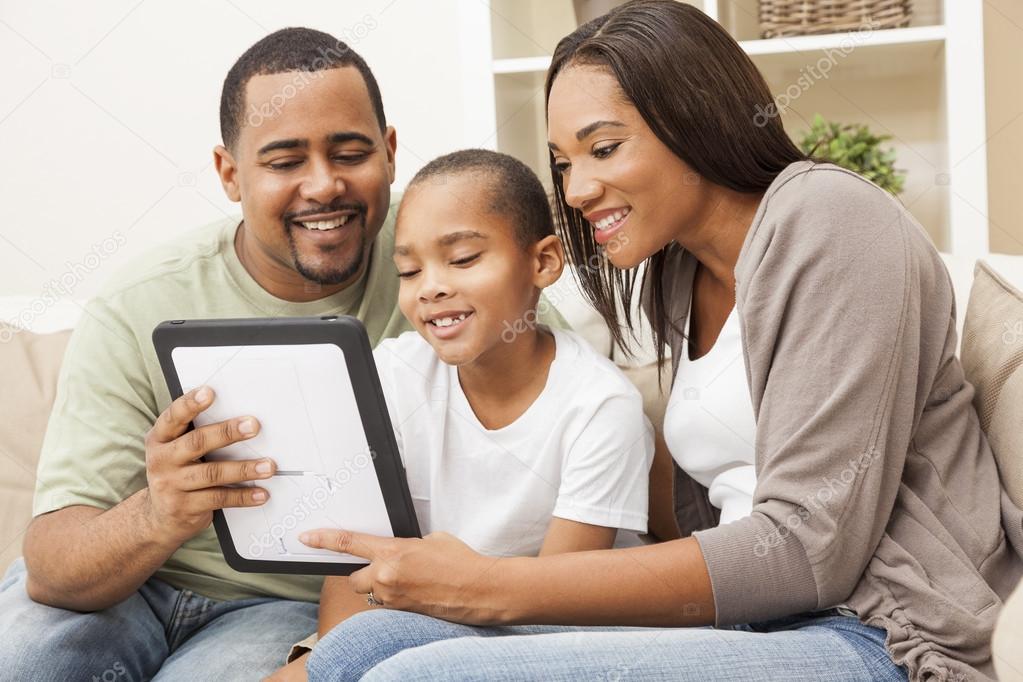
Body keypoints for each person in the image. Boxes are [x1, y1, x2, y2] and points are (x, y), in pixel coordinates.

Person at [300, 2, 1023, 680]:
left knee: (415, 675)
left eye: (603, 148)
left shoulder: (831, 219)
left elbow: (808, 549)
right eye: (561, 162)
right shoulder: (682, 271)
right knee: (363, 644)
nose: (576, 188)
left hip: (877, 632)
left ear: (695, 120)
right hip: (760, 623)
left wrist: (492, 586)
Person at [0, 28, 563, 681]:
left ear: (388, 151)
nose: (323, 186)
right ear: (229, 174)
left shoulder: (448, 249)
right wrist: (159, 513)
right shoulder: (136, 302)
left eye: (350, 152)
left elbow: (560, 408)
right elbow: (53, 568)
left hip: (282, 606)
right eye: (284, 161)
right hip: (131, 590)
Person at [274, 148, 652, 680]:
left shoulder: (599, 408)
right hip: (404, 620)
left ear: (542, 262)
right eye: (409, 270)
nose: (430, 286)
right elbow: (354, 558)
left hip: (550, 631)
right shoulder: (391, 376)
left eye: (464, 259)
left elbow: (561, 602)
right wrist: (335, 661)